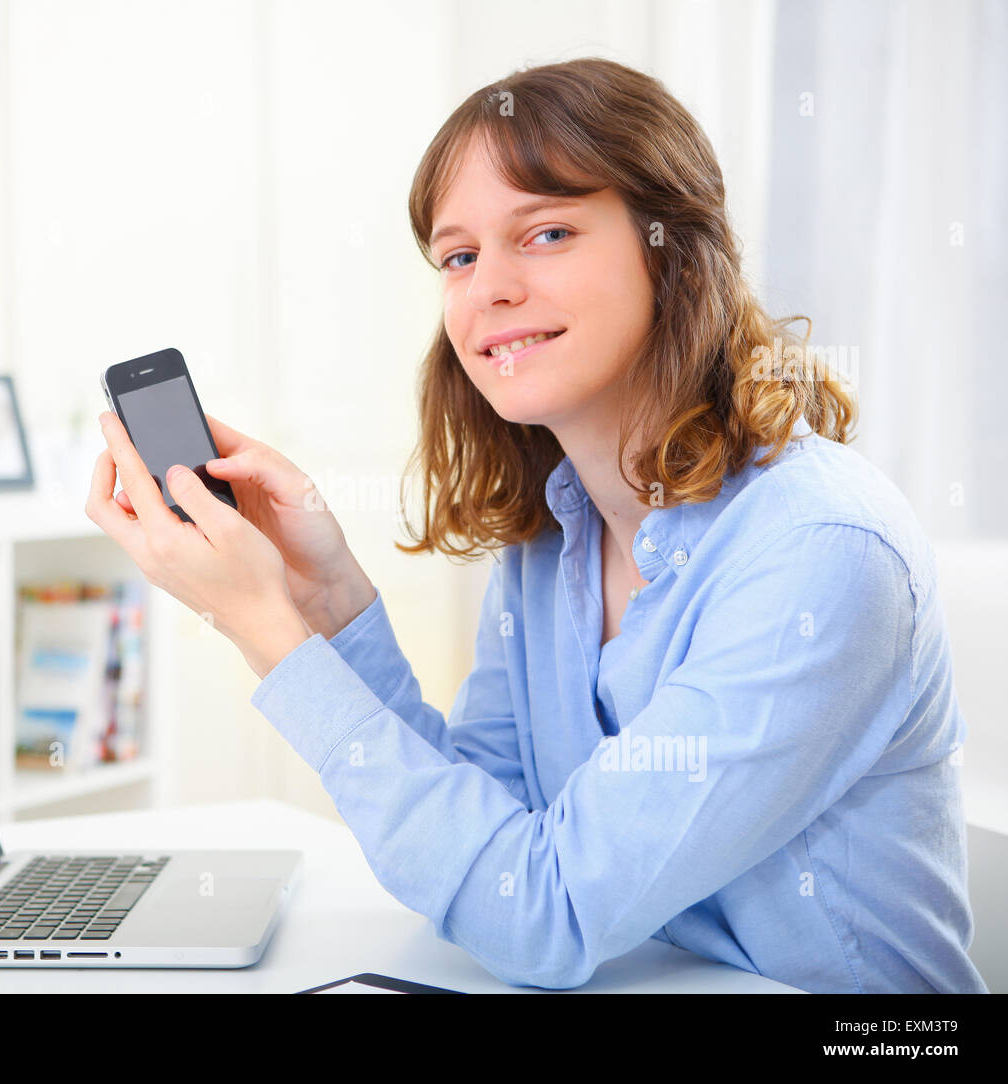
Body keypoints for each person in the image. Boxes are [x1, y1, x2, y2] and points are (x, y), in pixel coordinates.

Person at [86, 57, 987, 993]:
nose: (488, 290)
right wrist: (326, 600)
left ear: (670, 248)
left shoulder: (822, 555)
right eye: (460, 256)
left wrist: (268, 635)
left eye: (547, 232)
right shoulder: (553, 540)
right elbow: (489, 836)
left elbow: (538, 915)